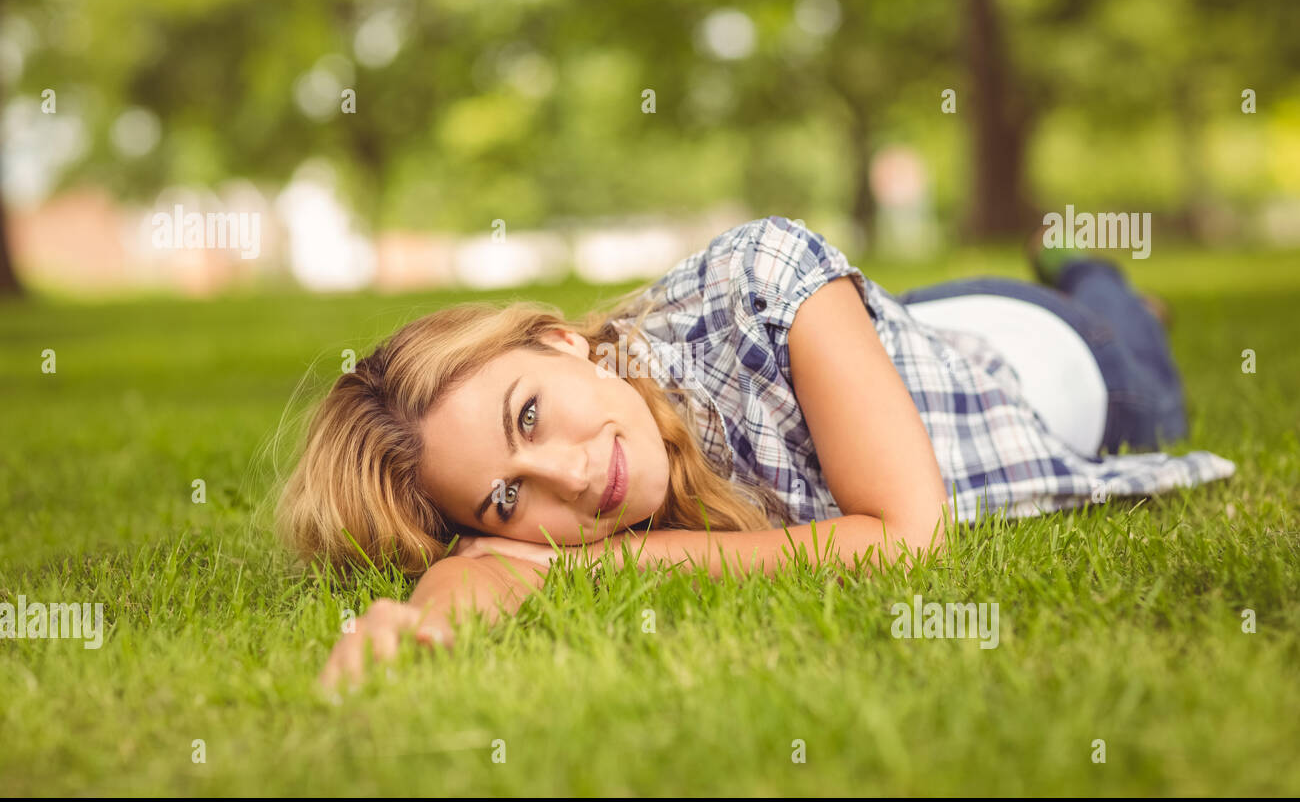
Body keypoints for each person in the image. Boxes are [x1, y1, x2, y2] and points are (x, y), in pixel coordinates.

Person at [279, 216, 1234, 687]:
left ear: (562, 341)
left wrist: (589, 571)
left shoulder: (761, 270)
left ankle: (1100, 276)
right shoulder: (562, 495)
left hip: (1062, 362)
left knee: (1125, 324)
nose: (569, 477)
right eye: (503, 498)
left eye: (528, 417)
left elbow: (905, 540)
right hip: (907, 343)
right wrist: (434, 607)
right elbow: (487, 572)